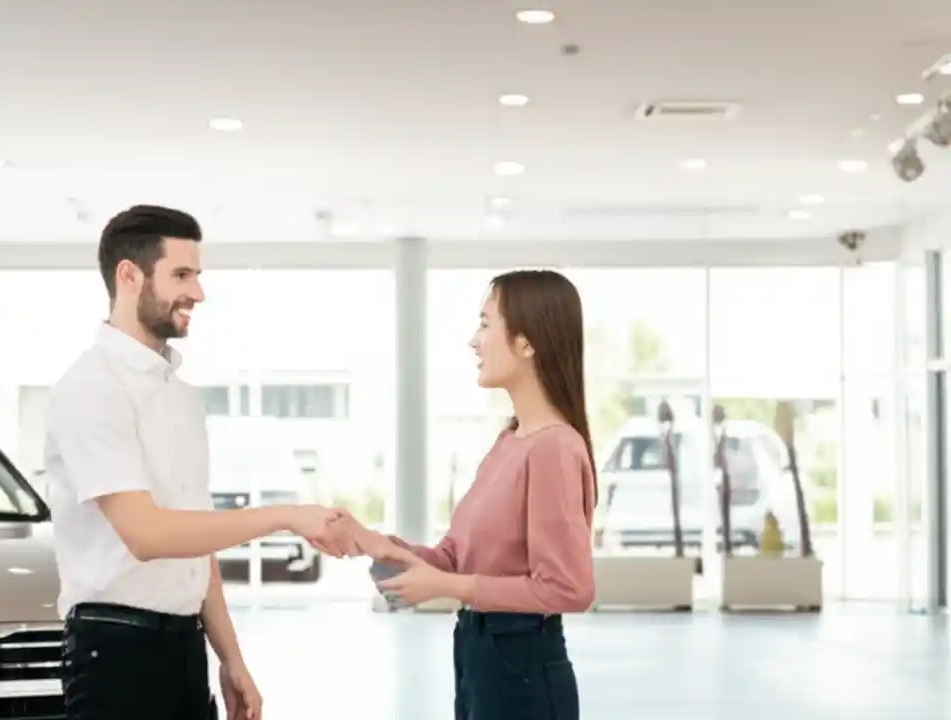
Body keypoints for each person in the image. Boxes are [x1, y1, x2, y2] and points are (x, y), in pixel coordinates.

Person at [45, 204, 354, 720]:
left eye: (197, 275)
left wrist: (230, 658)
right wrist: (285, 516)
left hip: (183, 645)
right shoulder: (92, 388)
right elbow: (147, 535)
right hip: (115, 650)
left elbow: (195, 541)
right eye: (182, 275)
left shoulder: (179, 397)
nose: (198, 293)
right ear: (129, 276)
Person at [348, 269, 597, 720]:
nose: (473, 341)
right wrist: (376, 543)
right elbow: (456, 557)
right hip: (478, 656)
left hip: (521, 668)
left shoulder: (554, 448)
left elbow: (568, 588)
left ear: (527, 343)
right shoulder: (510, 440)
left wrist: (445, 587)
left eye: (485, 324)